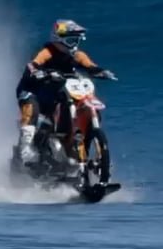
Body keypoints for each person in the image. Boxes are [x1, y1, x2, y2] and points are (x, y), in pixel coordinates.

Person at [15, 19, 117, 165]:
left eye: (76, 40)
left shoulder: (77, 55)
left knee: (84, 106)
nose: (74, 45)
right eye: (70, 40)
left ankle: (80, 151)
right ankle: (24, 152)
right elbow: (32, 65)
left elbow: (90, 66)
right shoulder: (47, 52)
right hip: (33, 90)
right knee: (32, 110)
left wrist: (102, 72)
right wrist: (38, 72)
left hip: (58, 90)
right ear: (58, 39)